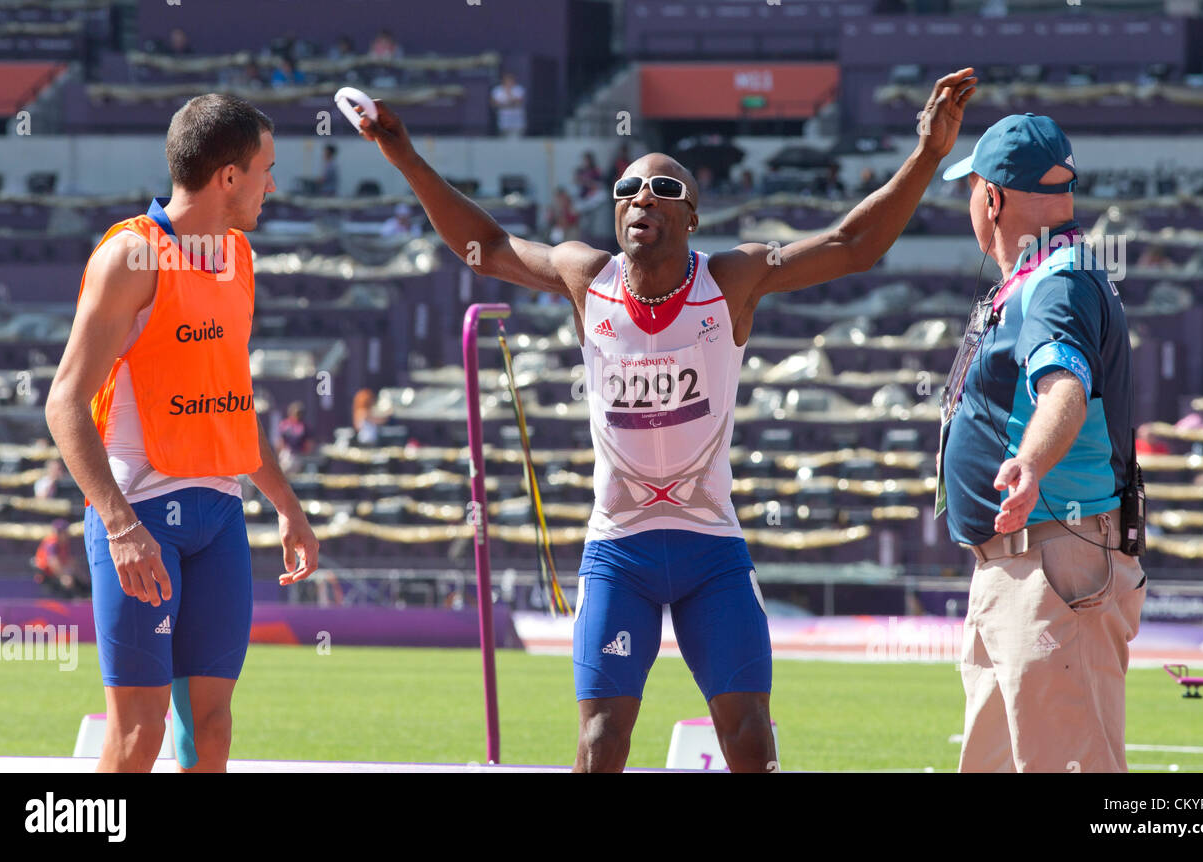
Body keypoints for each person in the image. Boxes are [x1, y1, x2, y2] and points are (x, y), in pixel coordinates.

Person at [357, 68, 976, 772]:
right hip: (620, 550)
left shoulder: (731, 281)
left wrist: (928, 153)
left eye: (664, 188)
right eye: (626, 189)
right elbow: (489, 249)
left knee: (747, 734)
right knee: (599, 743)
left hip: (710, 545)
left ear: (692, 218)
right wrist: (405, 157)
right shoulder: (585, 277)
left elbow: (853, 245)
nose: (641, 197)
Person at [44, 93, 319, 774]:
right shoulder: (132, 257)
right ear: (228, 176)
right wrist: (118, 523)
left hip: (220, 516)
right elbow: (63, 402)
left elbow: (233, 401)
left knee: (213, 732)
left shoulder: (240, 259)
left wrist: (286, 506)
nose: (272, 186)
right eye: (266, 169)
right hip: (141, 518)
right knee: (138, 737)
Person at [936, 112, 1145, 773]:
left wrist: (1028, 463)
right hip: (1027, 565)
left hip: (1051, 563)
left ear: (992, 196)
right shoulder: (1046, 274)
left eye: (971, 187)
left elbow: (1066, 390)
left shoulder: (1057, 280)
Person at [33, 519, 89, 598]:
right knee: (69, 586)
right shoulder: (52, 543)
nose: (65, 534)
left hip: (55, 574)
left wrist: (81, 576)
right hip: (46, 577)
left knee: (82, 585)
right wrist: (64, 577)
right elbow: (53, 563)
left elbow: (70, 561)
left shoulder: (63, 544)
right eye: (62, 532)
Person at [490, 72, 527, 139]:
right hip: (503, 121)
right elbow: (494, 104)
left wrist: (505, 103)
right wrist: (510, 103)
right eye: (507, 81)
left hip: (517, 122)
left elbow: (518, 102)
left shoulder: (518, 89)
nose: (509, 82)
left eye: (510, 80)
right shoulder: (497, 90)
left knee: (516, 140)